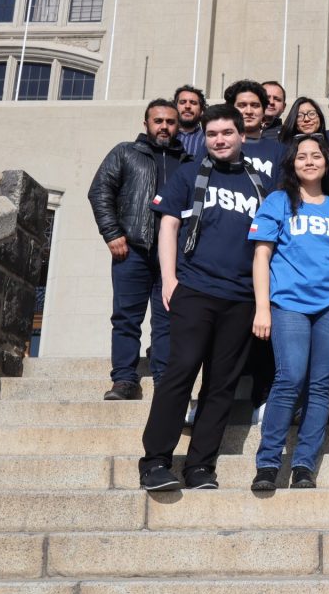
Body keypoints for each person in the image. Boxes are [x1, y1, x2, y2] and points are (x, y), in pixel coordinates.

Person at [138, 104, 269, 491]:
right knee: (180, 372)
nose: (219, 140)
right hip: (195, 289)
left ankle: (200, 466)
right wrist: (169, 279)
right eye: (212, 134)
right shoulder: (189, 172)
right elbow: (168, 225)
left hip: (241, 297)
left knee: (221, 385)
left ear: (242, 135)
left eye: (227, 133)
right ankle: (155, 461)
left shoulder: (260, 182)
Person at [248, 133, 329, 490]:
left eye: (316, 155)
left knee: (320, 385)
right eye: (302, 156)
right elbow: (261, 256)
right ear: (292, 163)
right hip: (288, 303)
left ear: (327, 163)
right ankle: (267, 463)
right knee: (290, 377)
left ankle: (304, 465)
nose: (309, 161)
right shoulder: (279, 201)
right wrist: (262, 308)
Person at [88, 98, 190, 401]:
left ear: (178, 126)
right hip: (131, 250)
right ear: (146, 123)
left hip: (172, 256)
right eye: (158, 121)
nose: (164, 127)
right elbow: (100, 191)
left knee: (168, 320)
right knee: (126, 318)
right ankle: (124, 380)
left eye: (170, 122)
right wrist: (112, 233)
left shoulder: (189, 162)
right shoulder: (125, 152)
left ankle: (164, 381)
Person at [222, 79, 284, 420]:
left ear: (265, 112)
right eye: (242, 105)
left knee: (264, 326)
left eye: (254, 105)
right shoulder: (220, 146)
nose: (248, 110)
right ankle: (214, 398)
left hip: (266, 249)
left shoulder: (278, 151)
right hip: (226, 251)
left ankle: (263, 398)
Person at [174, 85, 206, 158]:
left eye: (193, 103)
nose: (187, 106)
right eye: (182, 102)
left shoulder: (208, 138)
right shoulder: (165, 136)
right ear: (174, 108)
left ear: (201, 111)